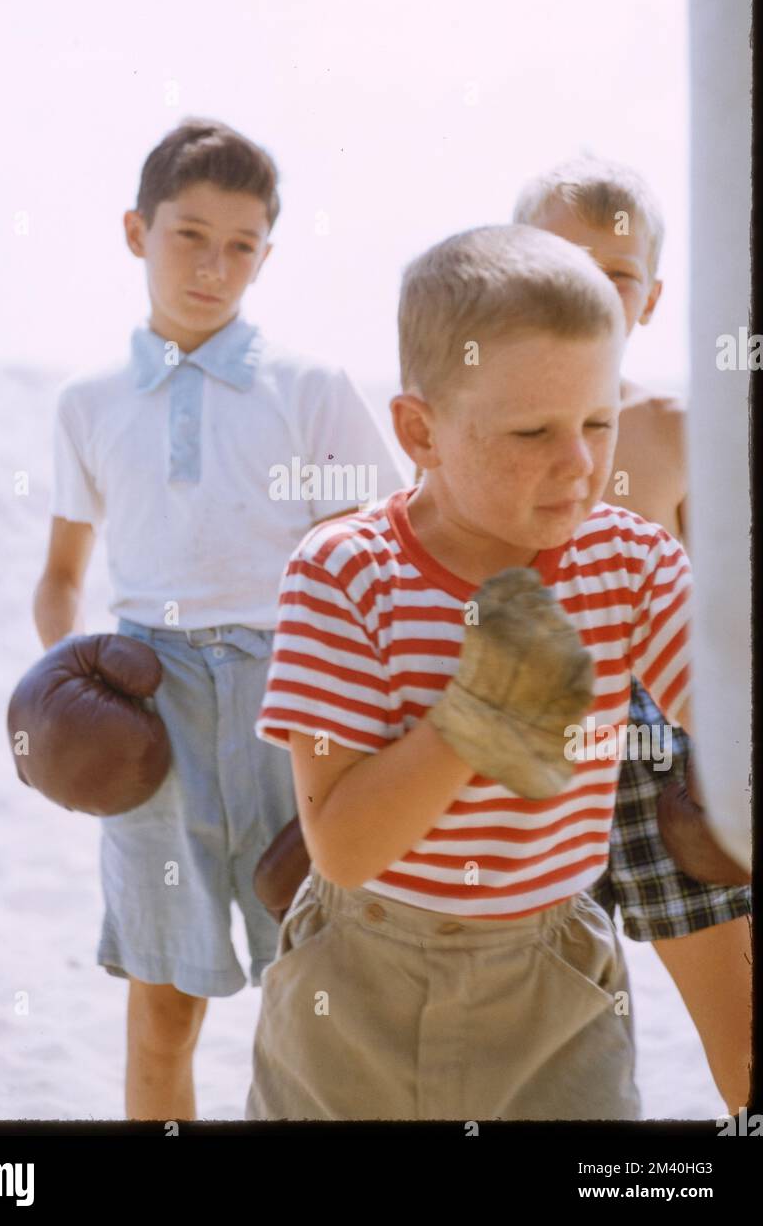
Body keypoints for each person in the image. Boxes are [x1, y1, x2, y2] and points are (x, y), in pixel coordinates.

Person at [245, 222, 693, 1120]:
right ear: (421, 430)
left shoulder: (633, 565)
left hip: (554, 981)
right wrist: (478, 719)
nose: (579, 464)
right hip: (359, 977)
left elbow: (729, 714)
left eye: (599, 422)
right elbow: (342, 843)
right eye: (533, 430)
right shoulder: (347, 574)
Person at [32, 117, 406, 1120]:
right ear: (134, 231)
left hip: (297, 710)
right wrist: (61, 693)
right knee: (164, 1011)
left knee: (325, 999)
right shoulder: (87, 401)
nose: (214, 265)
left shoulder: (311, 388)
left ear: (268, 255)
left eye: (242, 244)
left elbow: (385, 563)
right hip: (145, 714)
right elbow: (61, 574)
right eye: (189, 234)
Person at [513, 156, 751, 1114]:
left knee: (739, 1031)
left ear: (651, 298)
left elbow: (722, 619)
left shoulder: (680, 427)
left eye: (620, 273)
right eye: (565, 261)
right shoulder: (480, 419)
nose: (594, 287)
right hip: (527, 744)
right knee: (534, 1053)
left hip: (662, 745)